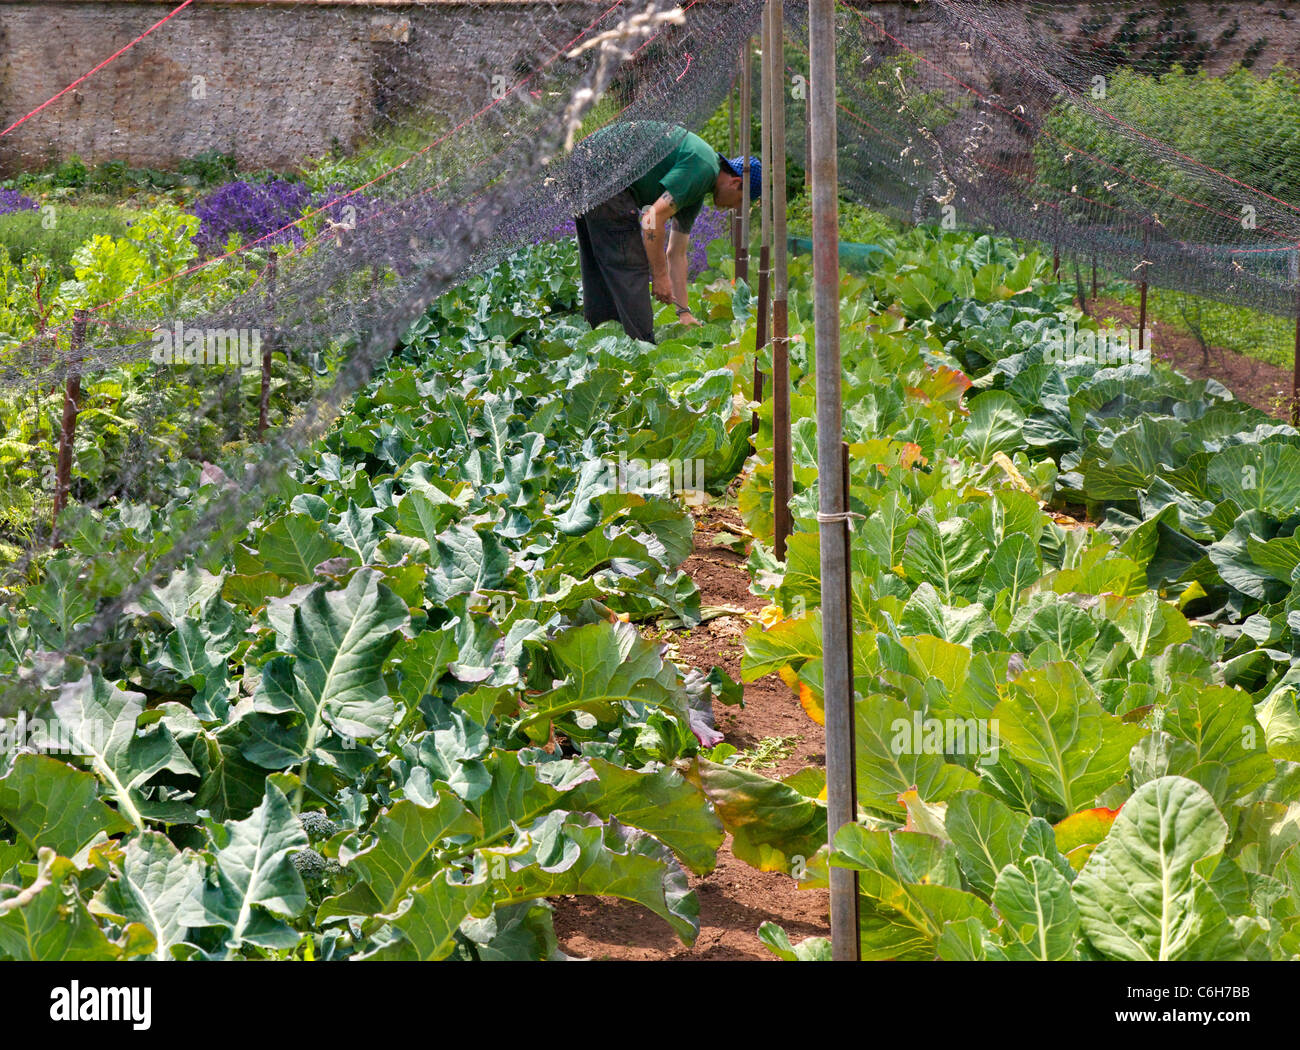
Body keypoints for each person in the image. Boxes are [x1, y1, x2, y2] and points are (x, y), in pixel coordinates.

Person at [572, 120, 762, 342]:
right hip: (602, 166)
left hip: (587, 161)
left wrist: (684, 312)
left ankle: (600, 341)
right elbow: (652, 218)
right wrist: (660, 276)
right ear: (736, 182)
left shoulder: (697, 189)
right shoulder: (704, 167)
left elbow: (676, 252)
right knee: (631, 266)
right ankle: (642, 350)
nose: (734, 208)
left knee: (600, 265)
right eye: (740, 201)